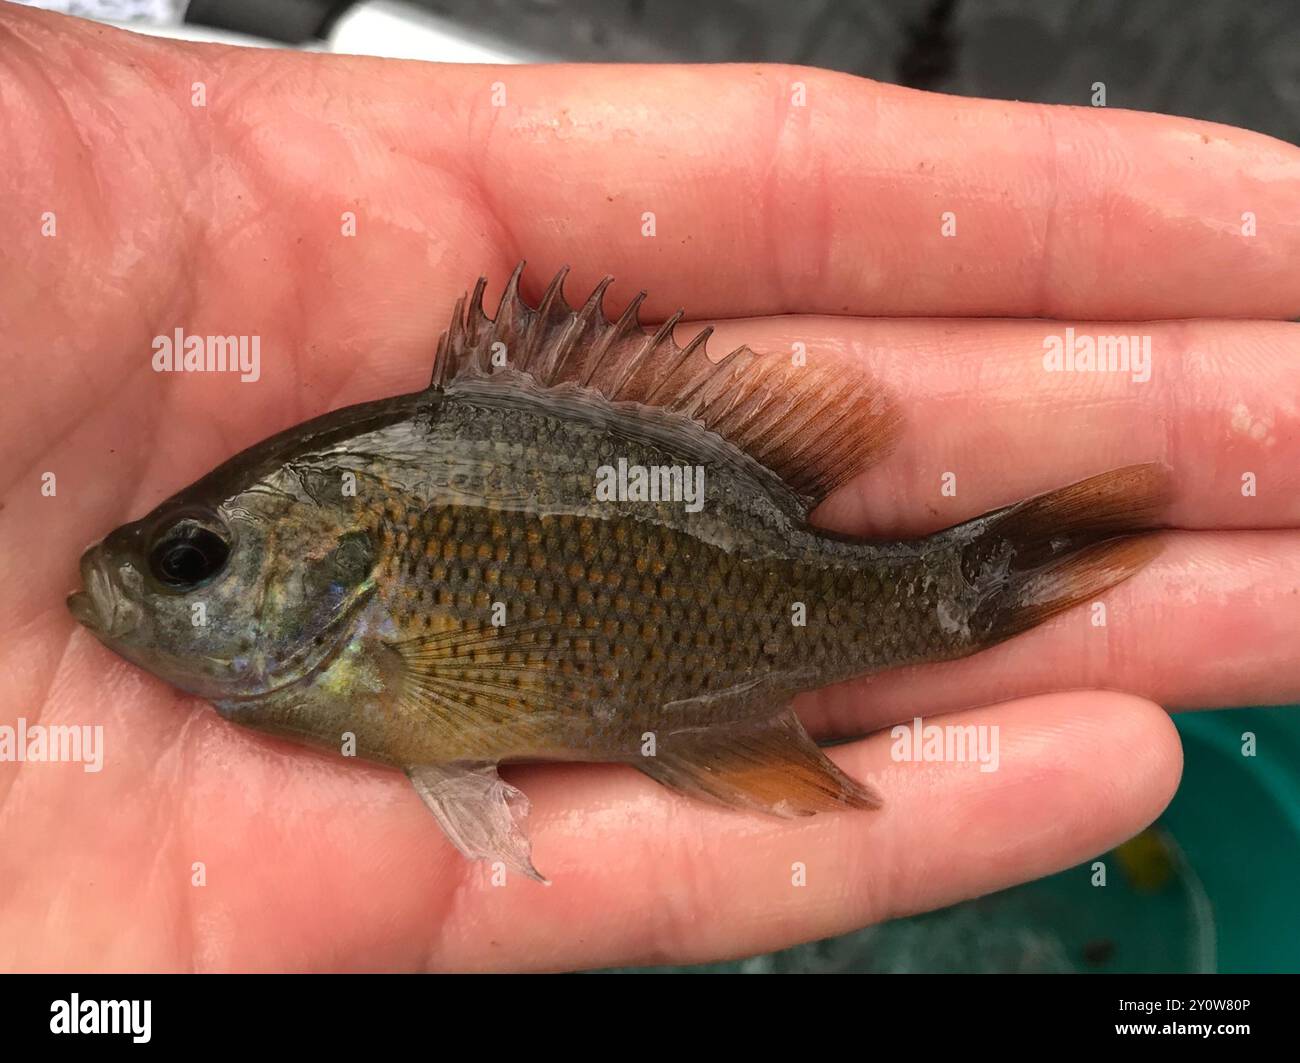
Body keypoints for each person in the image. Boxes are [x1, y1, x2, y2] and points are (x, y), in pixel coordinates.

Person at [1, 3, 1297, 972]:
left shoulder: (352, 646)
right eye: (188, 557)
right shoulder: (340, 650)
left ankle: (982, 585)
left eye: (194, 560)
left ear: (331, 566)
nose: (143, 579)